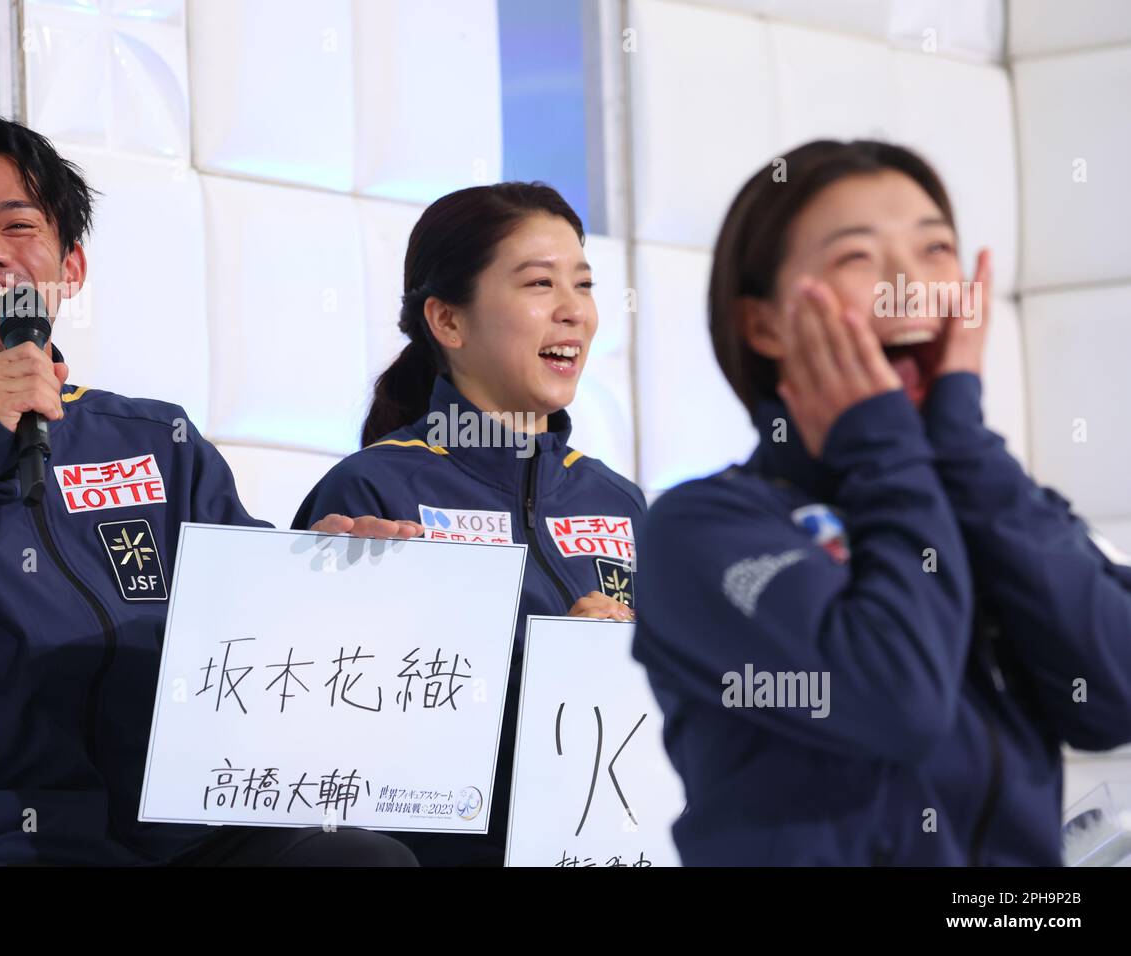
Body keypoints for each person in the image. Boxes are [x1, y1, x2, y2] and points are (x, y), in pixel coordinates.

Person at [0, 117, 421, 866]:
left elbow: (252, 620)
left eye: (20, 225)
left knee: (366, 860)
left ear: (71, 268)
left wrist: (331, 572)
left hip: (187, 836)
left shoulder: (155, 439)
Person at [632, 139, 1131, 865]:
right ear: (762, 323)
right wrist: (887, 452)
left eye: (935, 250)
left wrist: (964, 449)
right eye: (858, 258)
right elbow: (896, 702)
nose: (911, 285)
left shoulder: (986, 494)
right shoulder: (703, 529)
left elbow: (1112, 694)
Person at [293, 182, 645, 864]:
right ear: (448, 322)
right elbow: (326, 746)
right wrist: (548, 677)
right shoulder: (373, 489)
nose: (573, 311)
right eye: (540, 283)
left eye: (584, 283)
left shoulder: (620, 502)